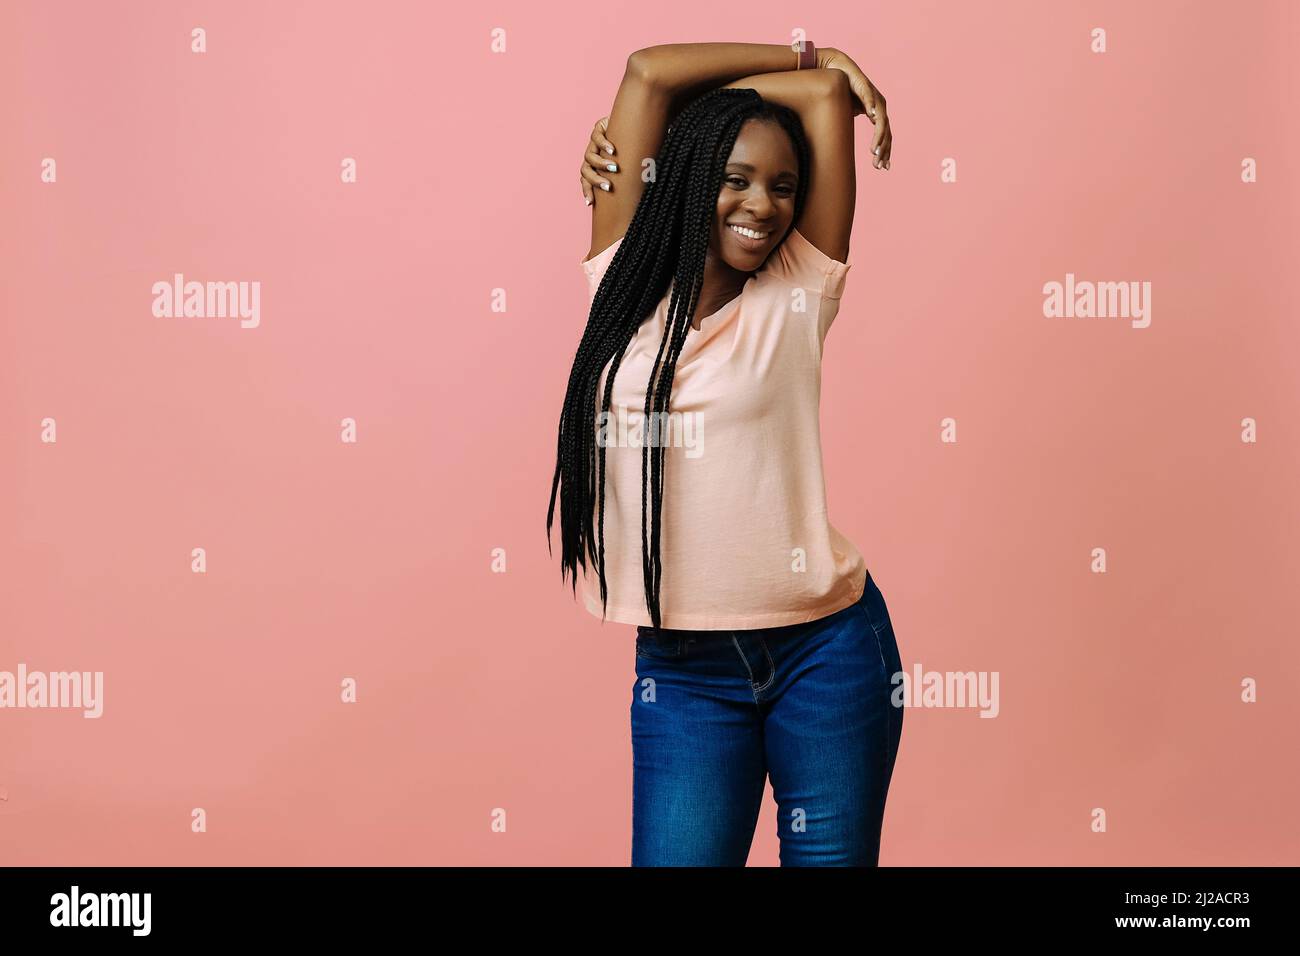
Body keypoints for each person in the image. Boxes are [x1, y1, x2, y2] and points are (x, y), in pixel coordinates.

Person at [548, 41, 901, 866]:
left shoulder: (798, 293)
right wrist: (793, 59)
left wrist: (817, 70)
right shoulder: (618, 279)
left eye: (784, 185)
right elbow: (644, 73)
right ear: (688, 172)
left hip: (828, 654)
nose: (763, 205)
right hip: (683, 674)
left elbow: (822, 101)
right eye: (733, 177)